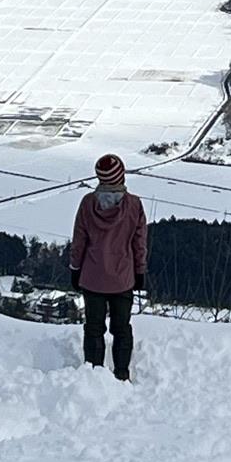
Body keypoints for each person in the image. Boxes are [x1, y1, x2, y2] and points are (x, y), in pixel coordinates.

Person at [69, 153, 148, 381]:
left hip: (92, 278)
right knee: (121, 328)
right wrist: (139, 271)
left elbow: (79, 242)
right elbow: (139, 243)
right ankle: (121, 374)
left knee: (94, 328)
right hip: (123, 278)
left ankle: (94, 375)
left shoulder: (88, 203)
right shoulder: (134, 205)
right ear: (121, 175)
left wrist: (75, 269)